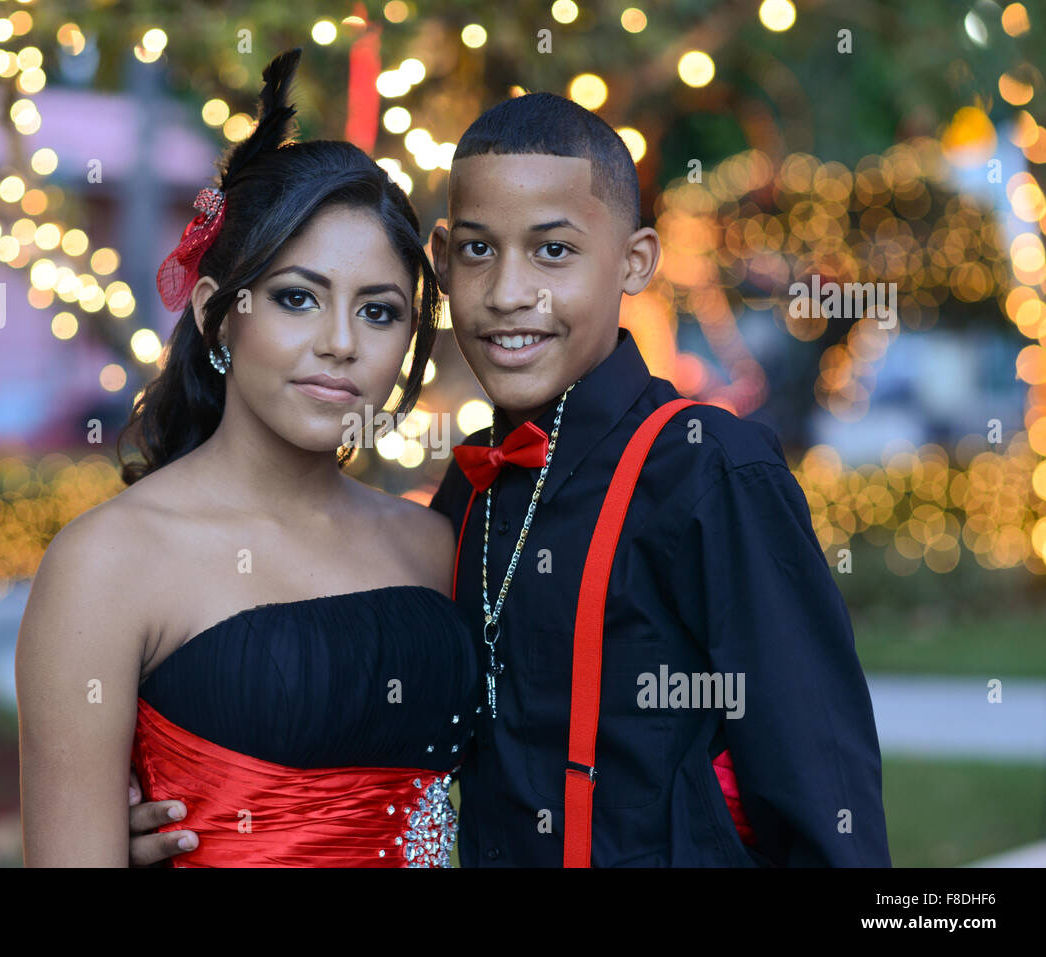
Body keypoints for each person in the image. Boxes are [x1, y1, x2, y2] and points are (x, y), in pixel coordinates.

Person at [126, 90, 891, 867]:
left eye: (553, 251)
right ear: (443, 255)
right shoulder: (467, 498)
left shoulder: (710, 470)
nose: (507, 293)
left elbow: (829, 816)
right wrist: (206, 805)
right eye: (479, 251)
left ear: (634, 261)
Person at [17, 47, 480, 867]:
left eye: (378, 312)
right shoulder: (106, 564)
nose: (340, 344)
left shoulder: (434, 544)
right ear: (218, 315)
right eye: (298, 298)